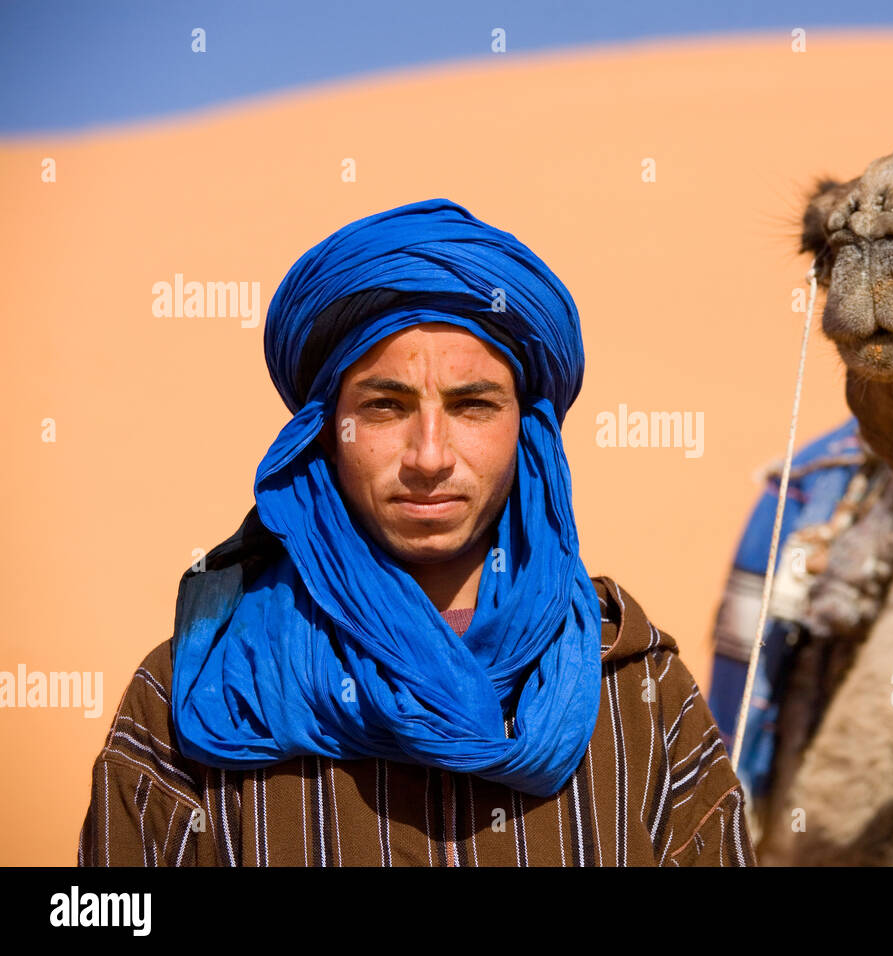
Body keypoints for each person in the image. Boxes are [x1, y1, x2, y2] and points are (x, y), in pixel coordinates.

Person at [78, 198, 754, 867]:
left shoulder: (636, 692)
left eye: (472, 406)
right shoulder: (197, 691)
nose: (429, 456)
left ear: (529, 435)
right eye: (383, 406)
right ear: (323, 437)